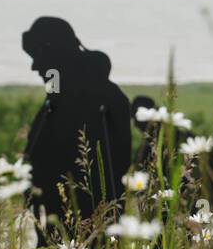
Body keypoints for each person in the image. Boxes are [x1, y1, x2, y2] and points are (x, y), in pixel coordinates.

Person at [21, 17, 131, 226]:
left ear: (55, 55)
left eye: (38, 57)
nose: (34, 67)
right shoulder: (61, 95)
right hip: (70, 218)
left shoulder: (91, 100)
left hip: (87, 219)